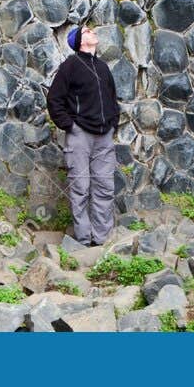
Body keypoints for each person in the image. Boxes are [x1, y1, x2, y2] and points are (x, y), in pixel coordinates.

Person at [46, 23, 120, 246]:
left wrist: (113, 123)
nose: (92, 31)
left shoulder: (103, 67)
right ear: (79, 41)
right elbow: (54, 99)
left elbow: (113, 98)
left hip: (104, 135)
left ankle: (102, 239)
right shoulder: (70, 66)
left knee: (104, 187)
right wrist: (70, 126)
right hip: (80, 136)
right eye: (87, 31)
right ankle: (84, 239)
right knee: (80, 188)